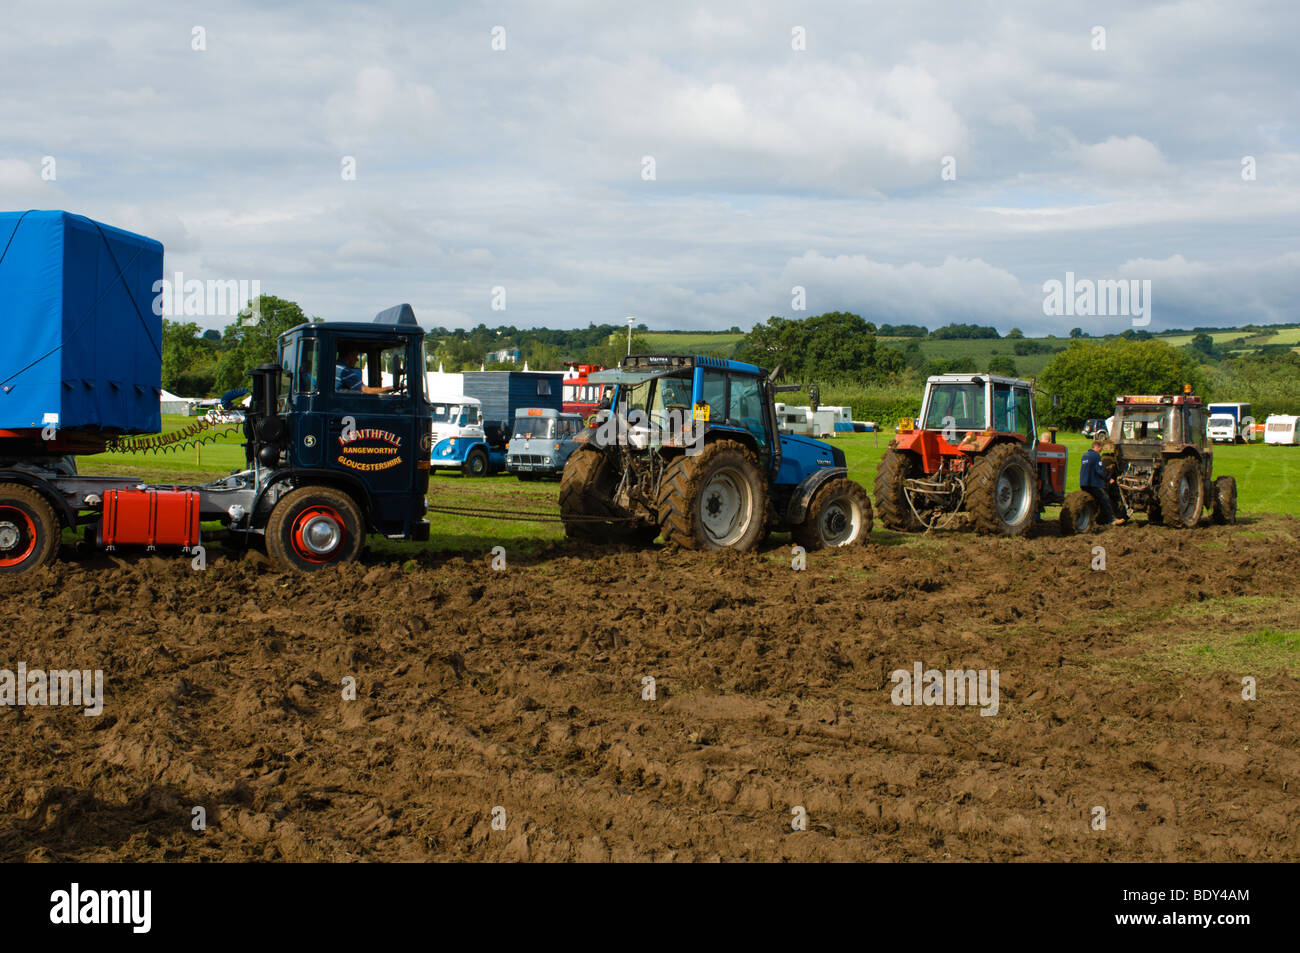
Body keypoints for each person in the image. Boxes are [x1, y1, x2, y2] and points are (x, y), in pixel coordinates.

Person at [1080, 438, 1126, 526]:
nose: (1101, 450)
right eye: (1101, 448)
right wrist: (1109, 479)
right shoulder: (1096, 456)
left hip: (1084, 483)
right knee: (1105, 499)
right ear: (1096, 447)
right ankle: (1112, 519)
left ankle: (1090, 519)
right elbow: (1099, 470)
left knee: (1092, 501)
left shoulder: (1085, 456)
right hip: (1093, 484)